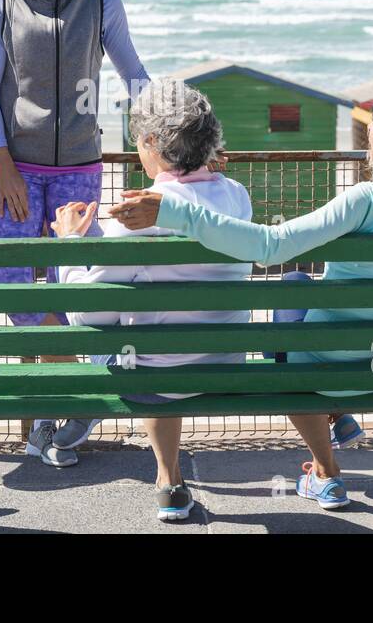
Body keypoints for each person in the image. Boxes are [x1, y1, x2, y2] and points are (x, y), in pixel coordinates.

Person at [109, 65, 373, 512]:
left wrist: (176, 214)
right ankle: (334, 430)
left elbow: (270, 247)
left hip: (325, 366)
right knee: (300, 295)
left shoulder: (365, 201)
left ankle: (329, 435)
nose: (370, 121)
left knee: (293, 288)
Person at [0, 0, 150, 464]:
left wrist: (172, 145)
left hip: (80, 168)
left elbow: (134, 75)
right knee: (13, 287)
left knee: (73, 293)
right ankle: (89, 380)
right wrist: (1, 163)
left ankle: (48, 422)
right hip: (17, 171)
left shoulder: (100, 0)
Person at [50, 80, 250, 521]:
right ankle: (168, 478)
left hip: (156, 378)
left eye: (139, 139)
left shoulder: (135, 214)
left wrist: (71, 247)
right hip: (228, 362)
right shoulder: (237, 197)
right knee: (162, 332)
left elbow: (88, 317)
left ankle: (169, 476)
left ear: (154, 142)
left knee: (142, 344)